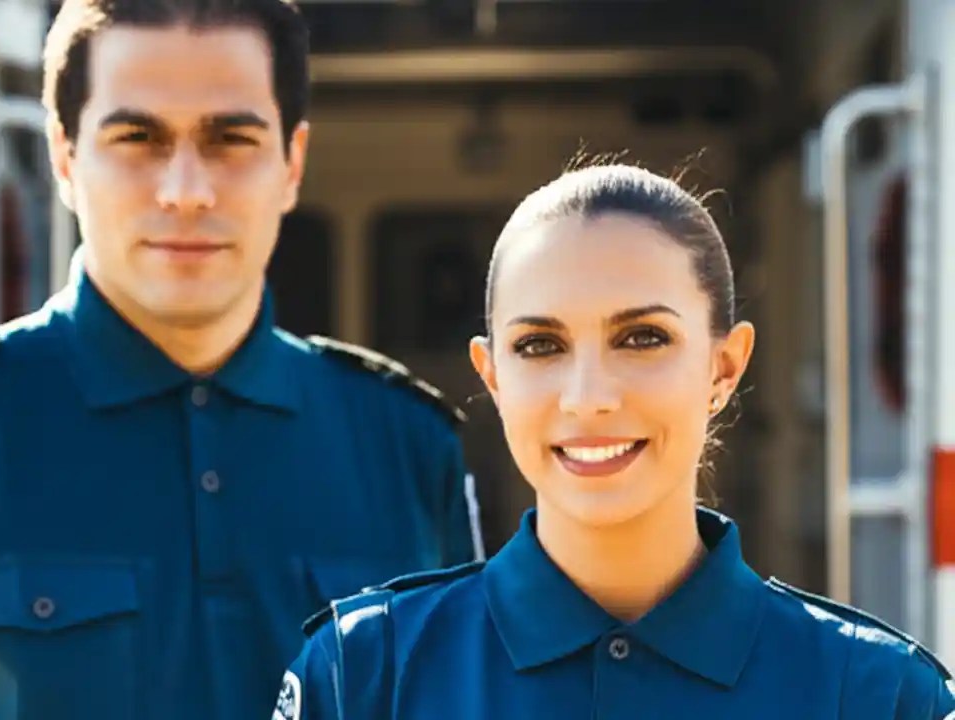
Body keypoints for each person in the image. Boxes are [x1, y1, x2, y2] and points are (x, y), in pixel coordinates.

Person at [0, 1, 481, 718]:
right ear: (65, 158)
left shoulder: (408, 449)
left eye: (232, 139)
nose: (187, 191)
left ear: (291, 163)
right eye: (138, 137)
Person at [277, 163, 955, 720]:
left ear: (724, 366)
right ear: (493, 376)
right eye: (540, 345)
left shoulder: (879, 695)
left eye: (641, 338)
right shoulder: (363, 675)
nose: (588, 395)